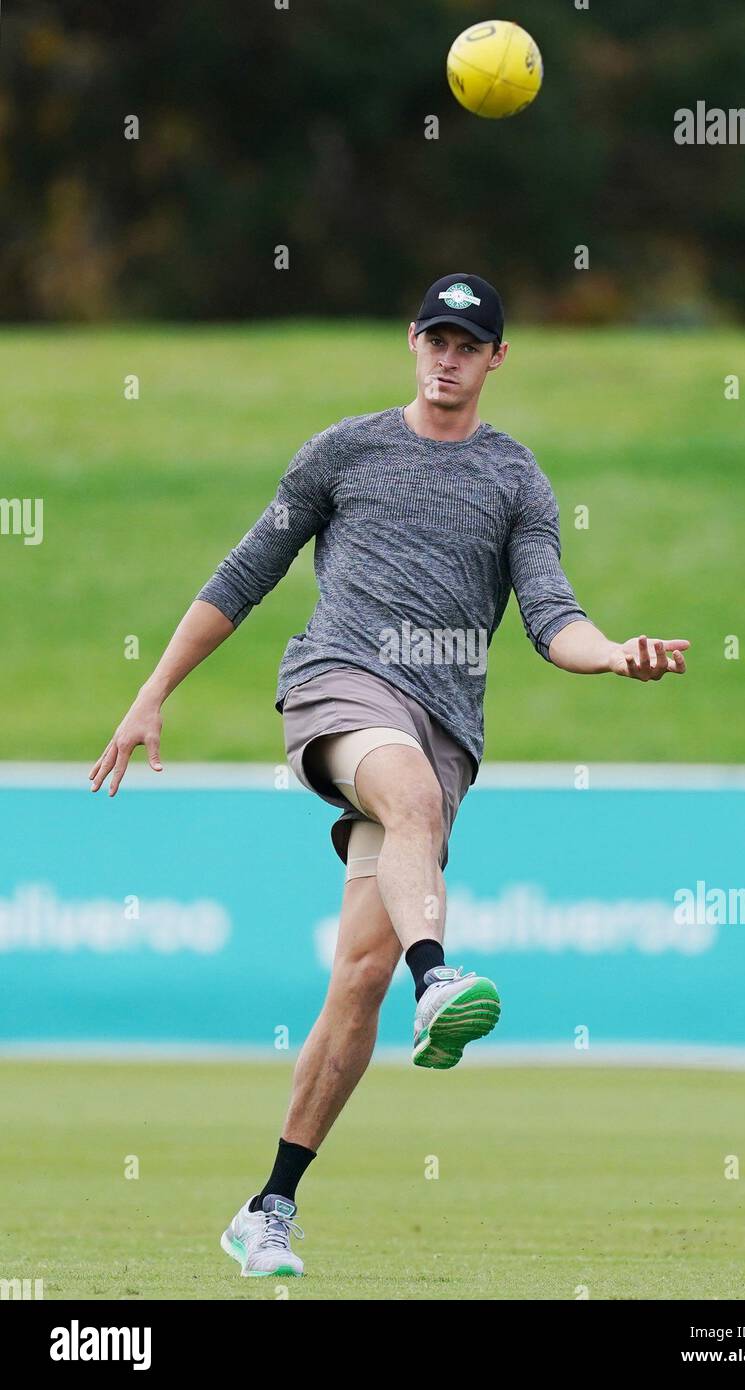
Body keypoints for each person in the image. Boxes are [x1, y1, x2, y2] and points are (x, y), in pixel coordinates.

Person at [89, 272, 689, 1277]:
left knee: (355, 979)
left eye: (469, 343)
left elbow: (551, 617)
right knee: (401, 793)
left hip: (443, 725)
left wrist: (615, 651)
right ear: (410, 341)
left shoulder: (514, 479)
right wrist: (152, 690)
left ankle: (268, 1204)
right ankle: (438, 976)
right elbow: (244, 575)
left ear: (496, 359)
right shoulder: (343, 450)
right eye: (435, 338)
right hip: (339, 688)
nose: (448, 356)